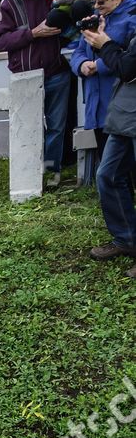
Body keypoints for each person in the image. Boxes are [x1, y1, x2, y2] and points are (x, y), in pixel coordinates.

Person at [0, 0, 73, 187]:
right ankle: (30, 175)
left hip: (57, 72)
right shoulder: (8, 2)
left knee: (57, 128)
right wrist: (32, 33)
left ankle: (51, 173)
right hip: (25, 76)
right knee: (29, 127)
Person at [82, 14, 136, 275]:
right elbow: (124, 63)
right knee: (108, 175)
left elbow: (128, 68)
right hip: (125, 112)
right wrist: (102, 41)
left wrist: (106, 45)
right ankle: (126, 239)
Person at [71, 0, 136, 173]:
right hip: (96, 105)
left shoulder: (130, 21)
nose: (97, 6)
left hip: (120, 103)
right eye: (94, 2)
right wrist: (81, 65)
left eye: (101, 1)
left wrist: (99, 65)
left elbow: (127, 59)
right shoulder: (94, 20)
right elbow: (78, 51)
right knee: (108, 170)